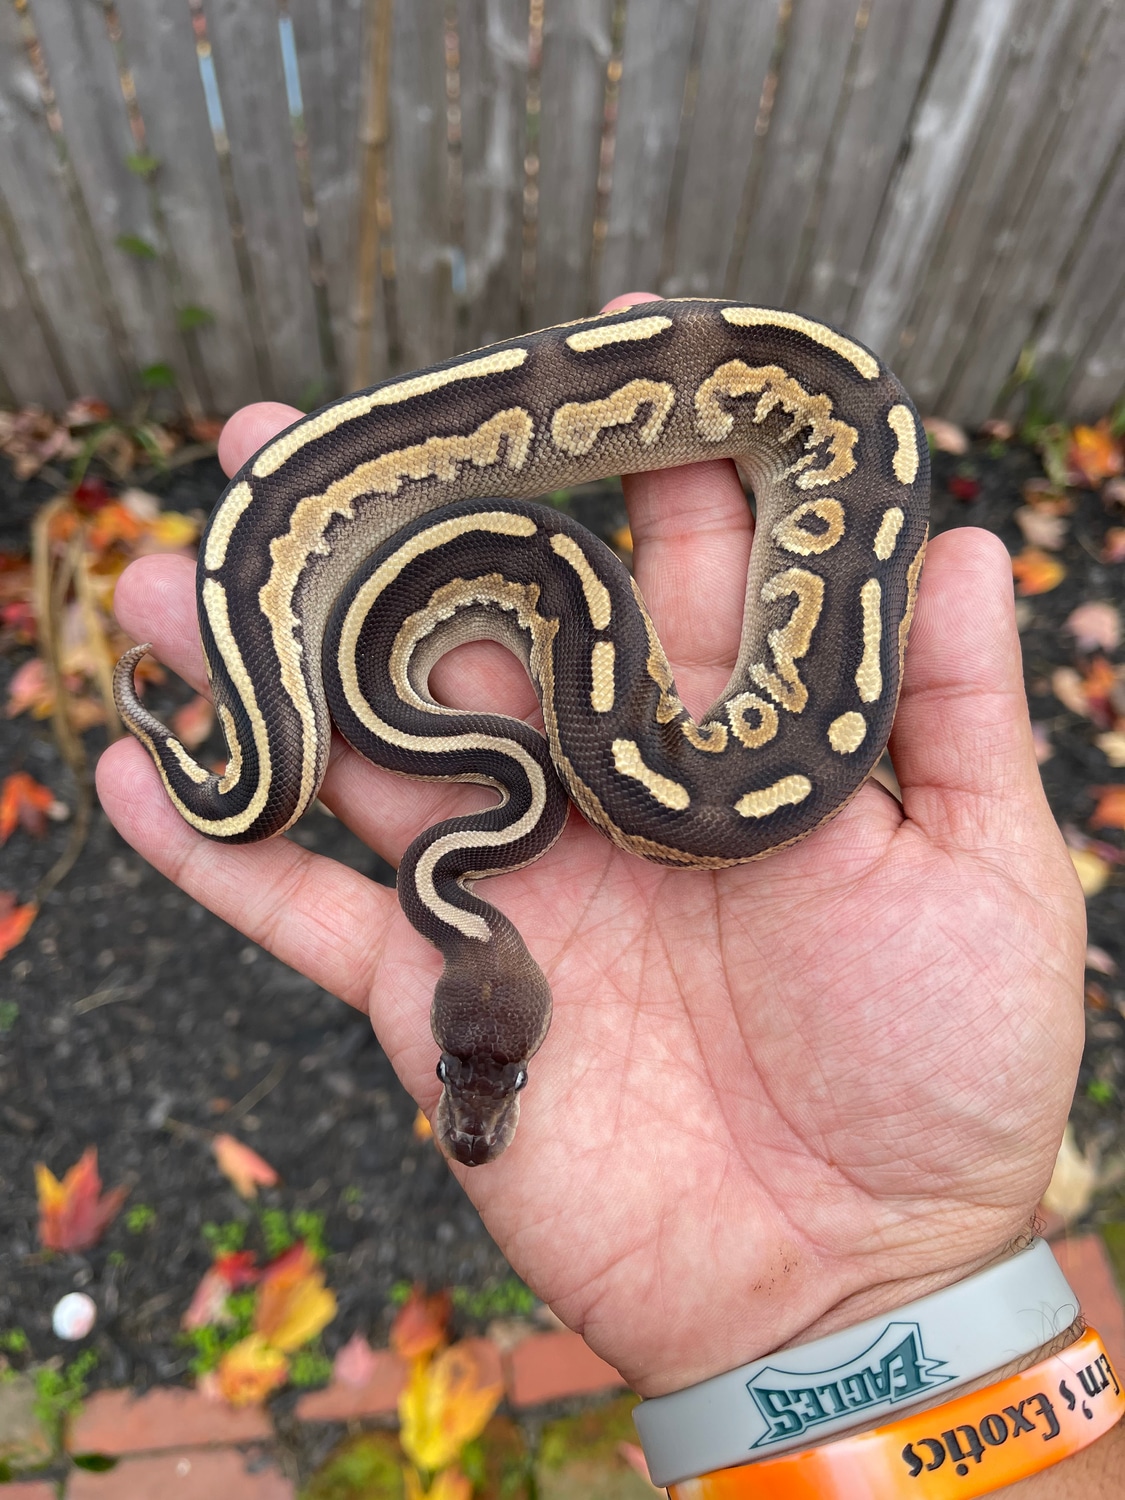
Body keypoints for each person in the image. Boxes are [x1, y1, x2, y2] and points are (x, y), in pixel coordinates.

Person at [96, 294, 1116, 1492]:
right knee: (255, 783)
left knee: (256, 781)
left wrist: (904, 1284)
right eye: (500, 1071)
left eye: (484, 1073)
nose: (479, 1109)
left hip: (817, 424)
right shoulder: (497, 776)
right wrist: (912, 1287)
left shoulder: (513, 769)